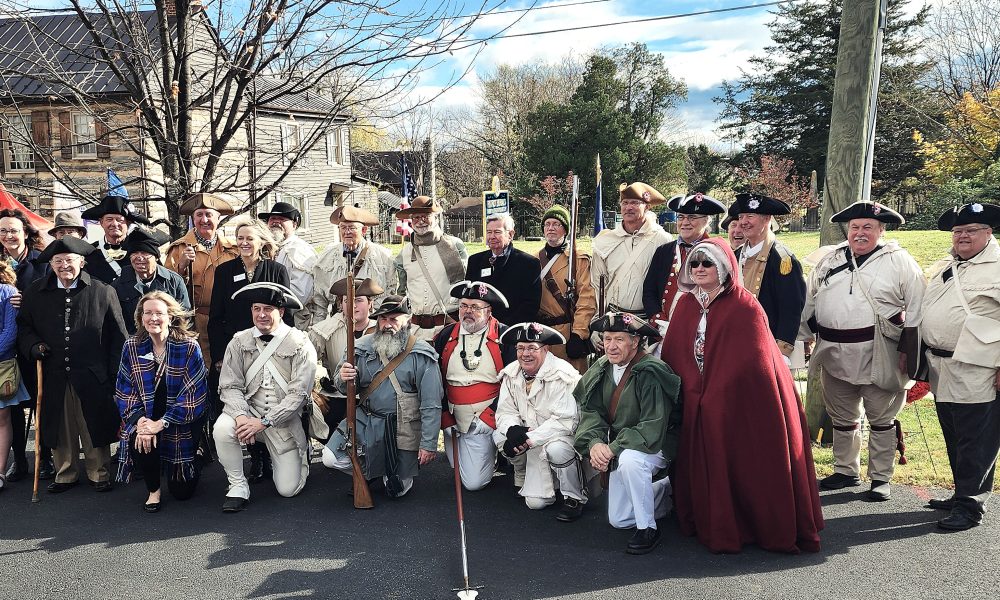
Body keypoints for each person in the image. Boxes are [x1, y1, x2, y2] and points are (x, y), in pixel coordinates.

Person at [662, 238, 823, 553]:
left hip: (738, 401)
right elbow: (675, 355)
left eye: (707, 263)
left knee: (737, 448)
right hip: (696, 396)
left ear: (722, 267)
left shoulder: (744, 305)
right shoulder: (685, 304)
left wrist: (715, 392)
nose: (699, 269)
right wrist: (692, 389)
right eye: (694, 263)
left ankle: (746, 520)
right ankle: (706, 515)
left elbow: (754, 363)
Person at [799, 201, 925, 501]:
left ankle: (880, 478)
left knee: (882, 418)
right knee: (842, 416)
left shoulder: (899, 260)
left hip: (881, 350)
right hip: (833, 350)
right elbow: (809, 300)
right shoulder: (829, 260)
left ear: (881, 230)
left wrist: (910, 349)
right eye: (855, 227)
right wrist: (803, 336)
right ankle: (846, 470)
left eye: (868, 227)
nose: (860, 232)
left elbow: (918, 305)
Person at [17, 236, 128, 494]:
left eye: (69, 260)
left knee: (93, 423)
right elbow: (25, 327)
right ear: (51, 264)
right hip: (54, 371)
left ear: (82, 261)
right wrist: (34, 346)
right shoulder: (35, 291)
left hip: (92, 371)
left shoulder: (103, 291)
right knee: (60, 425)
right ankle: (65, 472)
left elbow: (118, 336)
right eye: (58, 261)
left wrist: (114, 373)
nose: (64, 265)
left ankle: (99, 472)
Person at [918, 203, 1000, 531]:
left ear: (988, 233)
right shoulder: (946, 266)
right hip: (942, 365)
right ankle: (961, 493)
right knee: (954, 433)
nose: (962, 236)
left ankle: (971, 506)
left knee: (976, 438)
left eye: (971, 230)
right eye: (957, 231)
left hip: (979, 366)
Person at [573, 311, 680, 555]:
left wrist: (611, 449)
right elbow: (591, 411)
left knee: (631, 461)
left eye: (619, 339)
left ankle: (648, 529)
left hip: (656, 443)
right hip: (621, 445)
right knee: (619, 520)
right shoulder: (601, 367)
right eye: (607, 338)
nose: (610, 346)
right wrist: (595, 444)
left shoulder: (651, 371)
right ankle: (664, 491)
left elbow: (653, 425)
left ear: (635, 342)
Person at [213, 282, 317, 512]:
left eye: (268, 309)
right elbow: (229, 385)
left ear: (280, 312)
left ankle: (301, 455)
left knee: (288, 490)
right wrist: (241, 417)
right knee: (221, 428)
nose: (261, 315)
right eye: (256, 308)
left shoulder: (300, 342)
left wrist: (263, 422)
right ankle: (238, 485)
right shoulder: (239, 341)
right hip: (248, 415)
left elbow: (298, 395)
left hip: (281, 421)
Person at [326, 295, 443, 498]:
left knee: (396, 491)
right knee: (330, 458)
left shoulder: (422, 354)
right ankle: (369, 472)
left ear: (408, 320)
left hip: (402, 427)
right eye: (383, 319)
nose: (387, 325)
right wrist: (343, 378)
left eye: (394, 319)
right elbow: (343, 389)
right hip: (366, 420)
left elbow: (431, 404)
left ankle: (388, 472)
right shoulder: (360, 347)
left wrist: (428, 444)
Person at [209, 215, 291, 483]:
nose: (244, 242)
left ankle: (272, 453)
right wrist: (220, 356)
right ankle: (256, 457)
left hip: (270, 347)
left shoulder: (276, 270)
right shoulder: (224, 271)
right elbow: (216, 317)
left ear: (260, 241)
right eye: (240, 238)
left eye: (249, 238)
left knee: (267, 398)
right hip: (238, 350)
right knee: (244, 399)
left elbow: (285, 315)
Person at [114, 292, 209, 512]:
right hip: (146, 417)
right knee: (142, 436)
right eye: (148, 313)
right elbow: (124, 390)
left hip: (180, 421)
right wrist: (140, 422)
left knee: (182, 493)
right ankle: (153, 490)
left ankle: (197, 458)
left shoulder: (188, 347)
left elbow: (195, 396)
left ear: (171, 317)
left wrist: (162, 422)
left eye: (159, 313)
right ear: (140, 317)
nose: (153, 318)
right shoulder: (131, 346)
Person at [494, 322, 586, 521]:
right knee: (499, 436)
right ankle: (524, 476)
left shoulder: (563, 374)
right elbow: (505, 411)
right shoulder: (511, 373)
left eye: (532, 348)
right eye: (520, 348)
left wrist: (526, 438)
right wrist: (512, 430)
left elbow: (565, 422)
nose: (525, 354)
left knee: (558, 451)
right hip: (532, 440)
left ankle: (574, 496)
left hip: (560, 438)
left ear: (545, 349)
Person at [434, 281, 516, 491]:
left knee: (473, 484)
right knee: (458, 470)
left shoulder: (505, 337)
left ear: (489, 312)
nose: (468, 312)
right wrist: (445, 416)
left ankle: (496, 453)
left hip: (487, 416)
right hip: (454, 416)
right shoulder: (445, 335)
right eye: (463, 306)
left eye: (475, 307)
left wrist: (490, 417)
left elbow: (513, 384)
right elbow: (435, 380)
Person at [0, 208, 51, 482]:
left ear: (25, 233)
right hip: (5, 350)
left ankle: (44, 456)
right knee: (11, 409)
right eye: (3, 231)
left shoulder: (41, 261)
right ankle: (18, 460)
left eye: (13, 230)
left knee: (39, 401)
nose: (8, 235)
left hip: (32, 343)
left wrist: (26, 301)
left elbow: (50, 295)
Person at [590, 183, 672, 349]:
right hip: (612, 320)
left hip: (647, 322)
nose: (629, 207)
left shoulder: (663, 240)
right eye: (625, 203)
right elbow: (596, 287)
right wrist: (596, 324)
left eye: (635, 203)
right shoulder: (605, 241)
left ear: (647, 206)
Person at [164, 193, 239, 372]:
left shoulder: (233, 249)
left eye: (209, 215)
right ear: (193, 219)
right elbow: (166, 289)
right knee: (198, 369)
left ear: (218, 219)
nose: (204, 220)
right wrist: (181, 266)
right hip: (195, 321)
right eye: (199, 215)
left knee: (229, 367)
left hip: (226, 321)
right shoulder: (179, 248)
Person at [643, 193, 725, 349]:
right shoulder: (664, 251)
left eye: (692, 217)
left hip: (701, 335)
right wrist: (658, 320)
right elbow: (649, 290)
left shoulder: (717, 252)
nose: (685, 223)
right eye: (681, 217)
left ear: (706, 221)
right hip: (663, 332)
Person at [310, 276, 381, 453]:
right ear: (340, 305)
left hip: (374, 398)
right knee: (306, 409)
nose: (353, 305)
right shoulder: (326, 330)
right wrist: (309, 391)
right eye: (347, 300)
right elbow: (304, 361)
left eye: (359, 300)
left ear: (370, 304)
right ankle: (338, 451)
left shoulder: (382, 329)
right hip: (339, 396)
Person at [734, 192, 806, 362]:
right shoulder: (735, 255)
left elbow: (791, 308)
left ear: (766, 219)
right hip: (736, 342)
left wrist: (783, 351)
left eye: (750, 216)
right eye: (741, 216)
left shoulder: (783, 259)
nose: (743, 222)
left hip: (768, 345)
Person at [393, 196, 468, 340]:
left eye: (426, 216)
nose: (420, 221)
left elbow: (466, 284)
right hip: (416, 331)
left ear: (435, 217)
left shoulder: (455, 245)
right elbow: (400, 292)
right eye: (416, 217)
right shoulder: (405, 252)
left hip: (448, 327)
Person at [535, 205, 596, 374]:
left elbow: (587, 298)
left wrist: (579, 334)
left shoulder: (578, 259)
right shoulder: (533, 260)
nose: (551, 228)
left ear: (566, 230)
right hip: (541, 334)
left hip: (567, 333)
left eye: (556, 224)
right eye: (547, 224)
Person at [309, 204, 396, 323]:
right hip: (338, 322)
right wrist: (319, 327)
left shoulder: (382, 257)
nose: (347, 232)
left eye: (352, 227)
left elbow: (390, 293)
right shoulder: (327, 257)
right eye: (343, 228)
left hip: (371, 323)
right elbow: (319, 299)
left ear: (364, 230)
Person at [465, 213, 540, 327]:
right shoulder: (475, 261)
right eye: (489, 232)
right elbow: (469, 297)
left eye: (497, 232)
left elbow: (530, 305)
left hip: (511, 329)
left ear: (510, 234)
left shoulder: (528, 263)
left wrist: (501, 327)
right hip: (480, 327)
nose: (492, 236)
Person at [112, 227, 191, 335]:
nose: (139, 258)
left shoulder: (174, 281)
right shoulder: (118, 285)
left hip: (168, 341)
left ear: (156, 257)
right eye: (134, 253)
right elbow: (116, 323)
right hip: (133, 343)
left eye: (145, 253)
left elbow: (184, 317)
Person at [259, 202, 317, 330]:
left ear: (294, 225)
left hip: (292, 321)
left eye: (282, 219)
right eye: (272, 219)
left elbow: (301, 294)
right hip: (265, 319)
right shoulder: (264, 249)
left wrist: (272, 307)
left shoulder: (299, 250)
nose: (276, 222)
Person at [0, 260, 30, 492]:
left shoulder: (7, 292)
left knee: (2, 420)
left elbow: (10, 333)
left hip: (2, 365)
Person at [81, 195, 152, 284]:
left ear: (128, 223)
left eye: (120, 220)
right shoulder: (90, 252)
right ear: (101, 222)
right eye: (109, 219)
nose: (114, 224)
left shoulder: (143, 250)